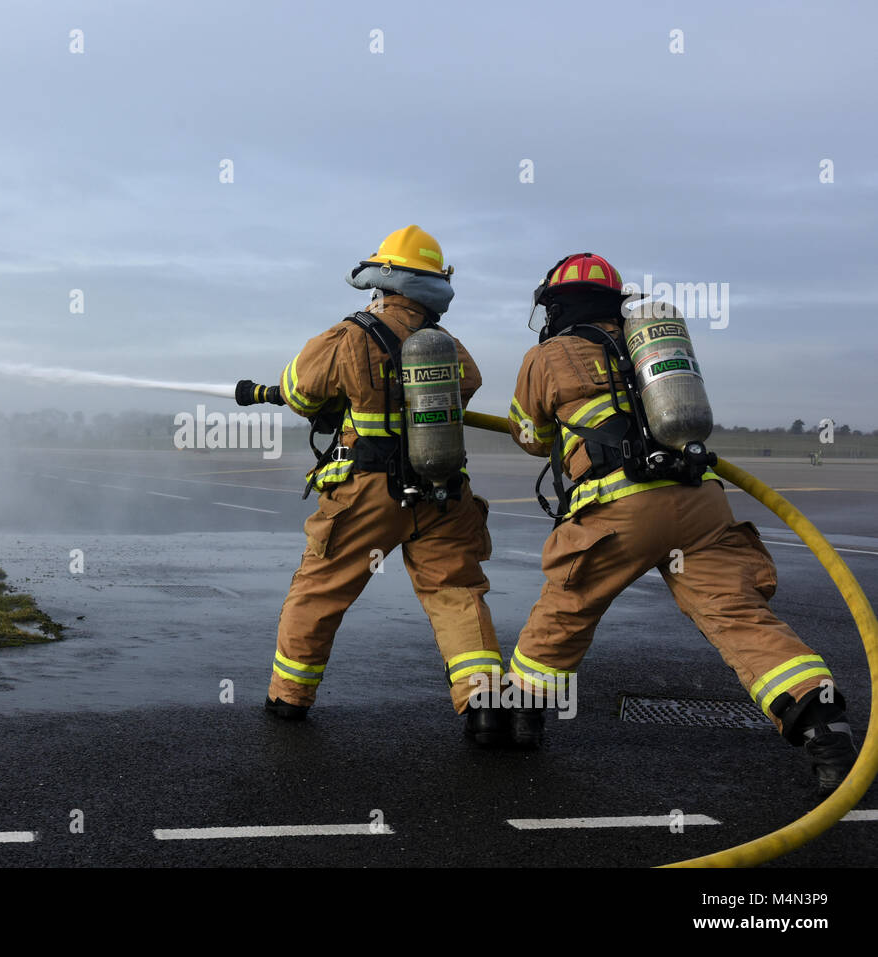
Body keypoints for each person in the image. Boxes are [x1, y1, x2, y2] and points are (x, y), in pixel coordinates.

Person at [505, 251, 857, 792]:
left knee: (567, 608)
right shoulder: (652, 347)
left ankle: (520, 720)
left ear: (555, 304)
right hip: (699, 501)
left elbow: (531, 438)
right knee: (737, 616)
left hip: (616, 512)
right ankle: (822, 725)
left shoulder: (549, 354)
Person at [259, 225, 506, 744]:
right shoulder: (447, 347)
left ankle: (289, 699)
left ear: (382, 282)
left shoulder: (351, 335)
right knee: (456, 591)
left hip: (369, 491)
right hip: (442, 491)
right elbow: (469, 383)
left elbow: (300, 392)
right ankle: (485, 705)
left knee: (320, 589)